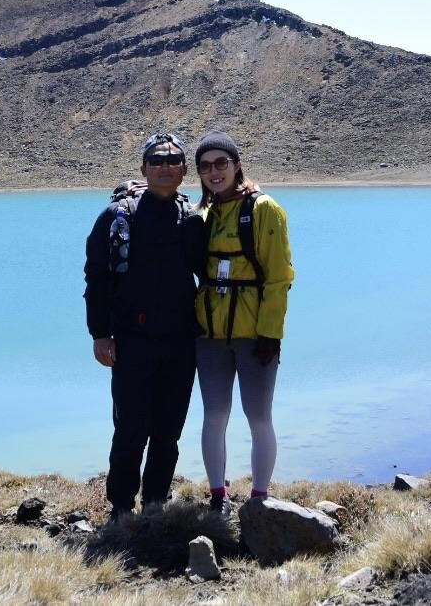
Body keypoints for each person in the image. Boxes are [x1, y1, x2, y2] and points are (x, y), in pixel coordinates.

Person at [83, 132, 206, 520]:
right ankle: (121, 506)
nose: (165, 167)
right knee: (131, 429)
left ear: (185, 169)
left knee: (169, 430)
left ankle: (155, 502)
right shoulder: (117, 217)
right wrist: (100, 334)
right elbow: (96, 278)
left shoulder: (193, 219)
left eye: (173, 160)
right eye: (157, 160)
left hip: (182, 342)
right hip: (132, 342)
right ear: (143, 169)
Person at [191, 131, 295, 512]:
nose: (214, 172)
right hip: (211, 335)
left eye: (221, 163)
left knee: (258, 417)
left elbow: (279, 277)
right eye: (205, 166)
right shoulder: (204, 213)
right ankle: (218, 494)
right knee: (214, 416)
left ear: (236, 165)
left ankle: (260, 498)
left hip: (255, 336)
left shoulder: (265, 210)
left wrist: (271, 333)